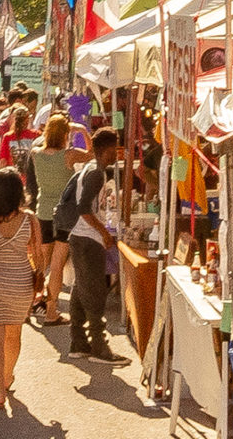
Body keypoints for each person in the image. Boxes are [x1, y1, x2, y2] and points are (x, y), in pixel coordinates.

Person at [66, 127, 130, 366]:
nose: (118, 152)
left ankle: (79, 342)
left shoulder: (91, 170)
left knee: (80, 288)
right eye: (117, 147)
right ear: (109, 149)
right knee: (93, 292)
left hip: (81, 236)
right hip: (87, 238)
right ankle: (99, 347)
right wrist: (103, 233)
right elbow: (84, 209)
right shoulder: (95, 174)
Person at [0, 168, 43, 408]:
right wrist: (41, 281)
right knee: (14, 335)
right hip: (20, 283)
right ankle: (7, 377)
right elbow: (38, 255)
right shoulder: (29, 219)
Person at [25, 114, 93, 324]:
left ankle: (27, 306)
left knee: (40, 263)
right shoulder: (69, 155)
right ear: (65, 134)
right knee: (57, 266)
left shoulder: (36, 153)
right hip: (63, 214)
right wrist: (82, 131)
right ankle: (51, 311)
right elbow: (91, 154)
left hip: (42, 212)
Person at [0, 106, 39, 173]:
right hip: (31, 175)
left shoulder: (8, 137)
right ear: (27, 120)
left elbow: (3, 161)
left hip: (13, 176)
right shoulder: (36, 134)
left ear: (14, 120)